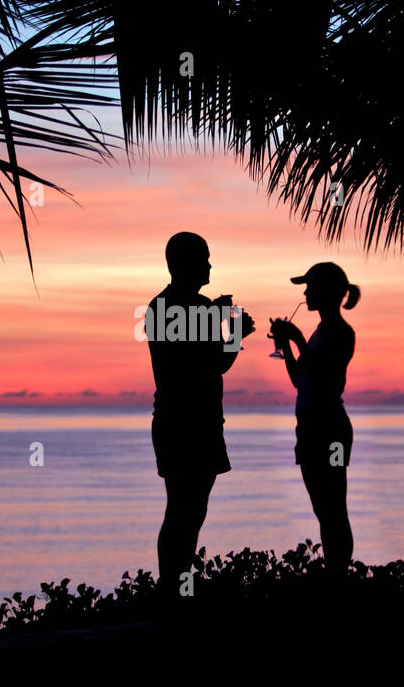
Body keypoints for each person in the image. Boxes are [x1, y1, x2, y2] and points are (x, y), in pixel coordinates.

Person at [145, 232, 254, 606]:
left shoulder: (171, 306)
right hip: (186, 424)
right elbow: (214, 364)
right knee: (184, 511)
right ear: (184, 263)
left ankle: (175, 590)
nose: (210, 265)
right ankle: (173, 594)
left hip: (191, 422)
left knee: (188, 510)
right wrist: (235, 333)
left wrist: (225, 326)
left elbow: (209, 361)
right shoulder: (176, 309)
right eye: (204, 259)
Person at [269, 263, 359, 575]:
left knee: (335, 507)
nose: (305, 293)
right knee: (323, 509)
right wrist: (287, 348)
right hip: (308, 429)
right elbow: (300, 379)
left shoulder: (342, 333)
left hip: (330, 430)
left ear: (327, 292)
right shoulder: (320, 332)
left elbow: (322, 377)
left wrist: (297, 339)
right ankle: (336, 574)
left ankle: (339, 577)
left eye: (310, 287)